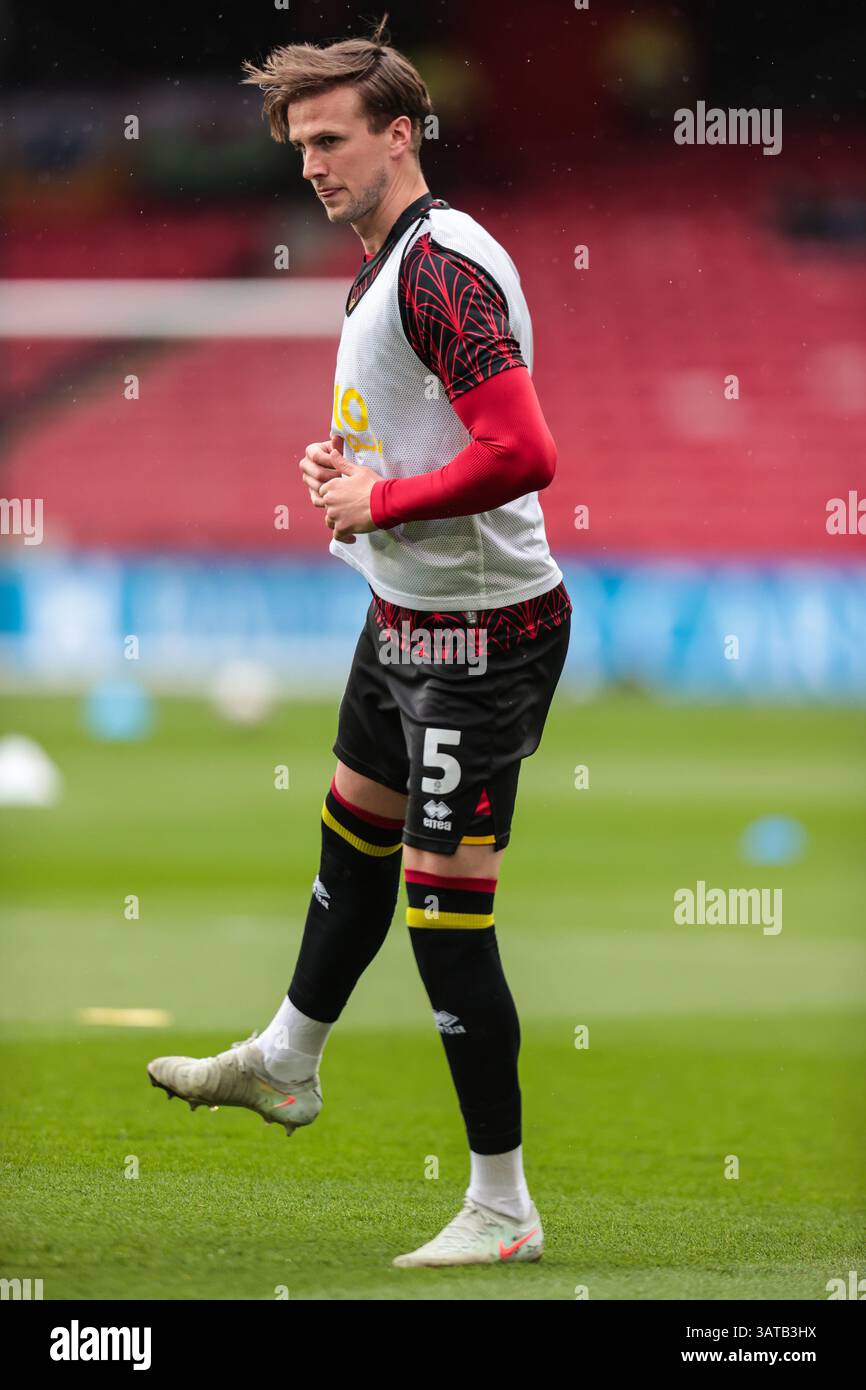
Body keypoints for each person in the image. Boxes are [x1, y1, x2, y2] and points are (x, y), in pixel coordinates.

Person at [148, 18, 572, 1269]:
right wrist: (365, 468)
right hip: (406, 619)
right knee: (350, 836)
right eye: (298, 145)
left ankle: (501, 1205)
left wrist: (376, 502)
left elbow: (525, 452)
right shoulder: (389, 261)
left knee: (447, 920)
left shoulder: (440, 268)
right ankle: (286, 1059)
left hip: (478, 637)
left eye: (332, 138)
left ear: (401, 134)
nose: (313, 164)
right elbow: (447, 430)